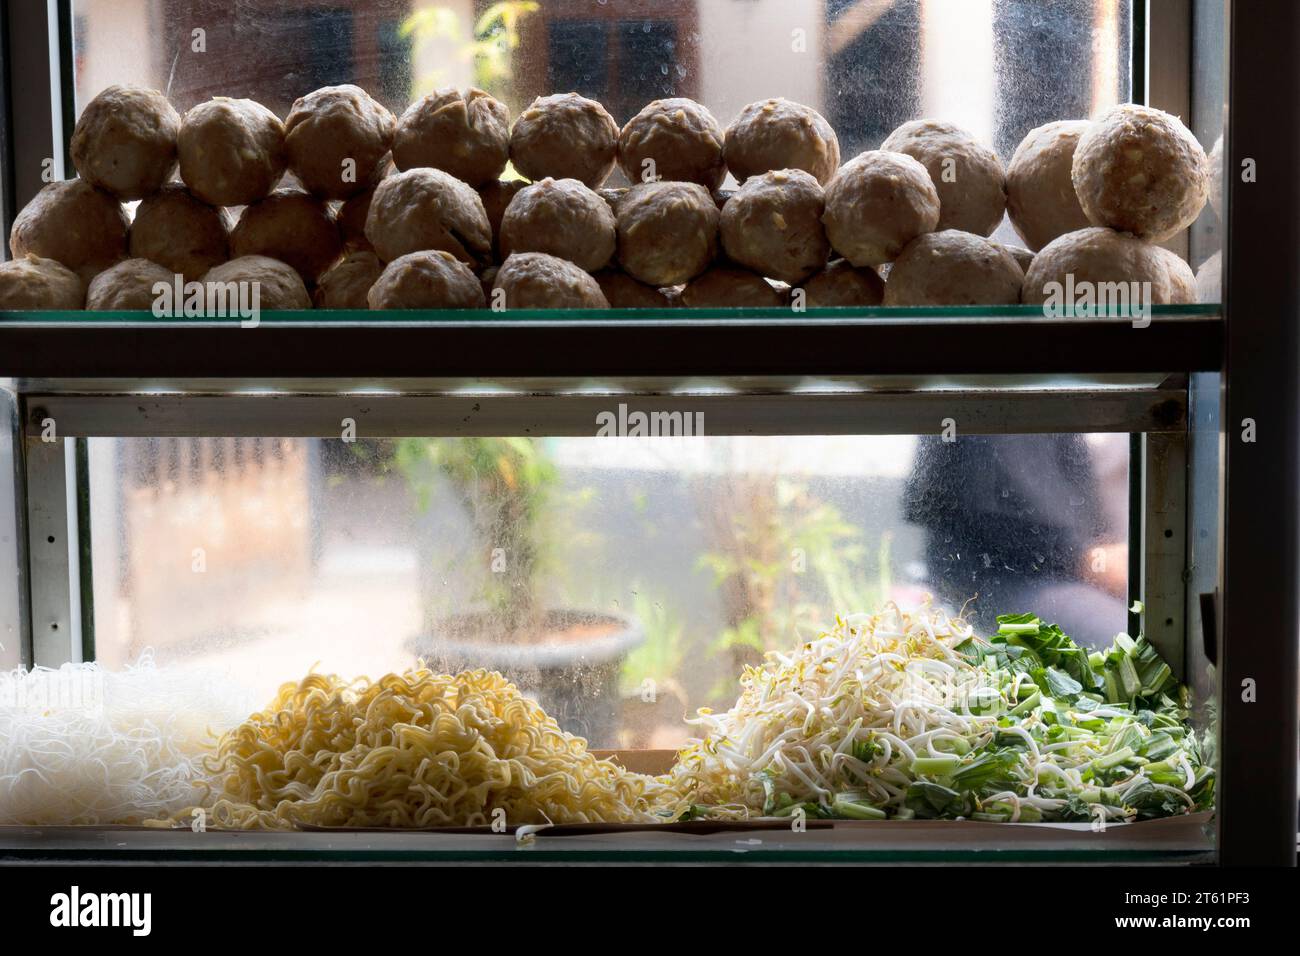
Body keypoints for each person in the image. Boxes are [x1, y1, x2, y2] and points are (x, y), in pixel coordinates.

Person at [903, 434, 1128, 647]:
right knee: (1124, 637)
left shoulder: (1058, 405)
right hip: (994, 578)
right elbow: (975, 517)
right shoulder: (982, 411)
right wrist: (1083, 558)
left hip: (1061, 562)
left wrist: (1102, 550)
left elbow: (1081, 489)